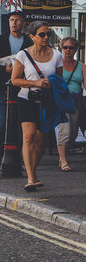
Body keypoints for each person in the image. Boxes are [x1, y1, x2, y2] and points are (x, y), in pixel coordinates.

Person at [11, 21, 63, 191]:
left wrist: (53, 85)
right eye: (42, 34)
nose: (46, 37)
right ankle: (30, 178)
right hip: (27, 98)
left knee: (42, 140)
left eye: (48, 34)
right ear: (32, 36)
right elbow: (15, 80)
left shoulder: (57, 56)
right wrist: (36, 83)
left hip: (47, 101)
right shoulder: (23, 55)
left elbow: (60, 81)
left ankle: (33, 171)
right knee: (29, 136)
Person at [0, 10, 32, 169]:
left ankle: (18, 157)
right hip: (2, 88)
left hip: (22, 88)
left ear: (23, 23)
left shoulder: (29, 42)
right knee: (1, 124)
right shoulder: (0, 40)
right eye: (12, 20)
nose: (14, 23)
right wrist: (3, 69)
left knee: (20, 125)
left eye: (17, 20)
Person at [58, 37, 85, 172]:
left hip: (75, 102)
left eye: (71, 48)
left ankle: (62, 157)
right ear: (61, 48)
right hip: (61, 101)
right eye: (65, 47)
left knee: (73, 133)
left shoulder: (81, 66)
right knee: (66, 131)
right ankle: (63, 160)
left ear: (76, 49)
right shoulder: (58, 65)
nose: (68, 50)